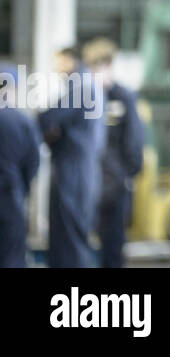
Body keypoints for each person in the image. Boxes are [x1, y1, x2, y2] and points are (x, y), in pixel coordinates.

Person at [39, 47, 105, 268]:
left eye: (59, 63)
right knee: (65, 232)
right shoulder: (83, 86)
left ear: (71, 61)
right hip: (76, 166)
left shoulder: (81, 88)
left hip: (74, 169)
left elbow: (48, 117)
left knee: (70, 234)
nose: (56, 69)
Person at [82, 37, 144, 268]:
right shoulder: (83, 99)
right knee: (83, 246)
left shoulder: (123, 97)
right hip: (89, 183)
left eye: (104, 65)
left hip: (116, 184)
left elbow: (134, 139)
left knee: (113, 247)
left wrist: (128, 175)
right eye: (95, 67)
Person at [0, 61, 41, 267]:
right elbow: (33, 162)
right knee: (12, 254)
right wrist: (20, 187)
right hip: (10, 193)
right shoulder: (22, 121)